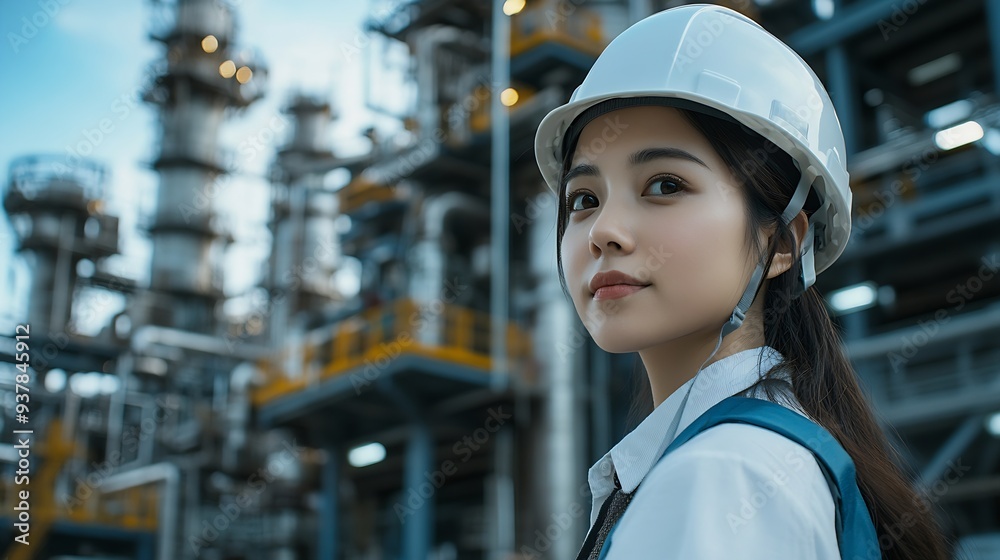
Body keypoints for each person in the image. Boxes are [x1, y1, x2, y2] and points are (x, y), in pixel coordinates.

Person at [533, 4, 951, 559]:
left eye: (664, 185)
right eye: (584, 199)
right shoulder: (750, 457)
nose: (603, 231)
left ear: (782, 241)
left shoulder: (721, 475)